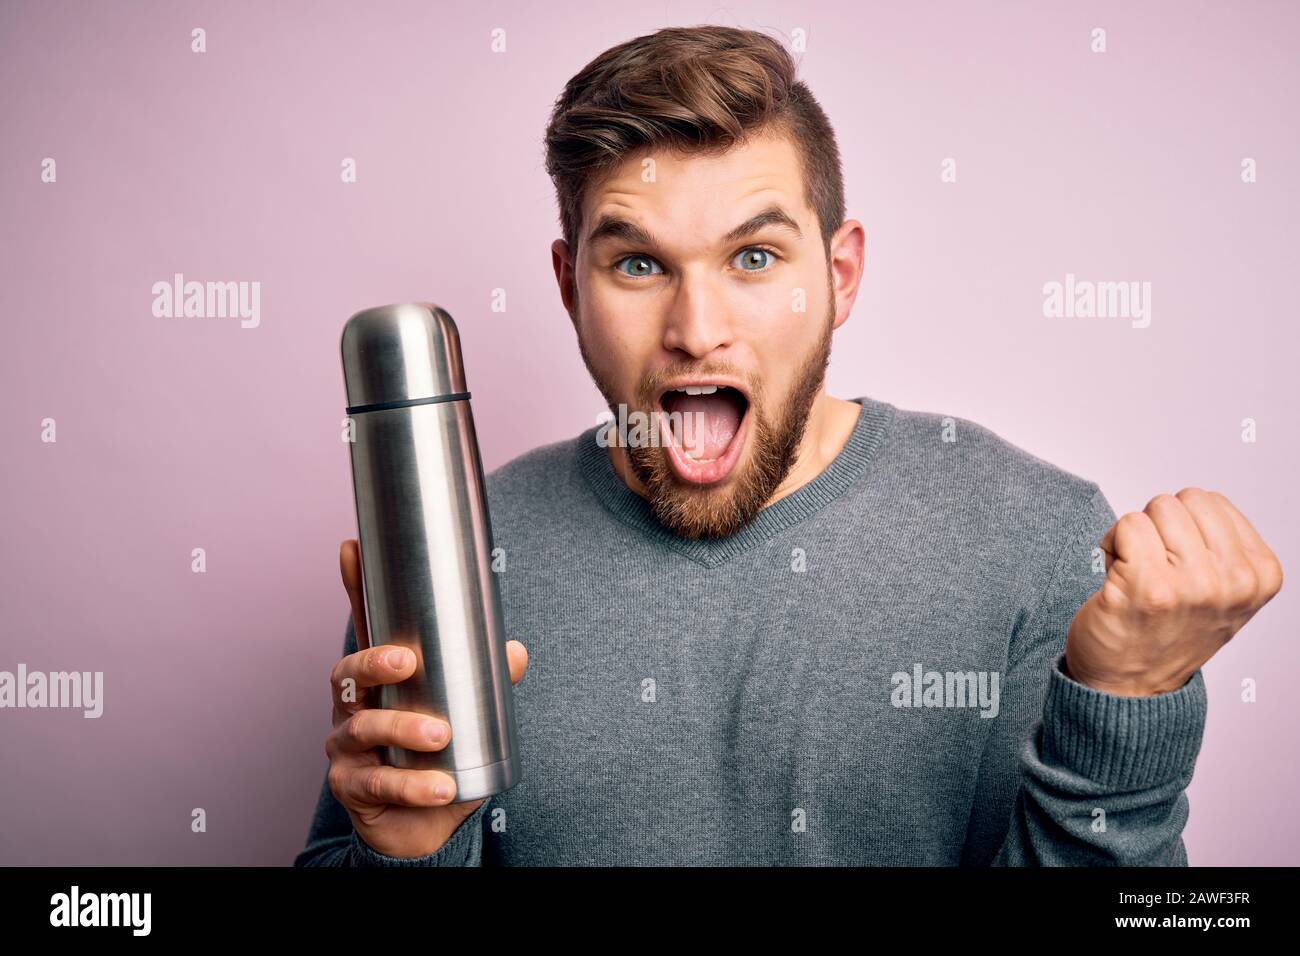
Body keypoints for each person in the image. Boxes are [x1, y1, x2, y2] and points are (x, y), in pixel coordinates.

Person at [294, 25, 1282, 866]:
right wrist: (401, 855)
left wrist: (1128, 706)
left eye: (754, 256)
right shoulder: (456, 559)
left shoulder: (1033, 535)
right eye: (637, 262)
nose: (695, 326)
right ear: (567, 287)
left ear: (840, 274)